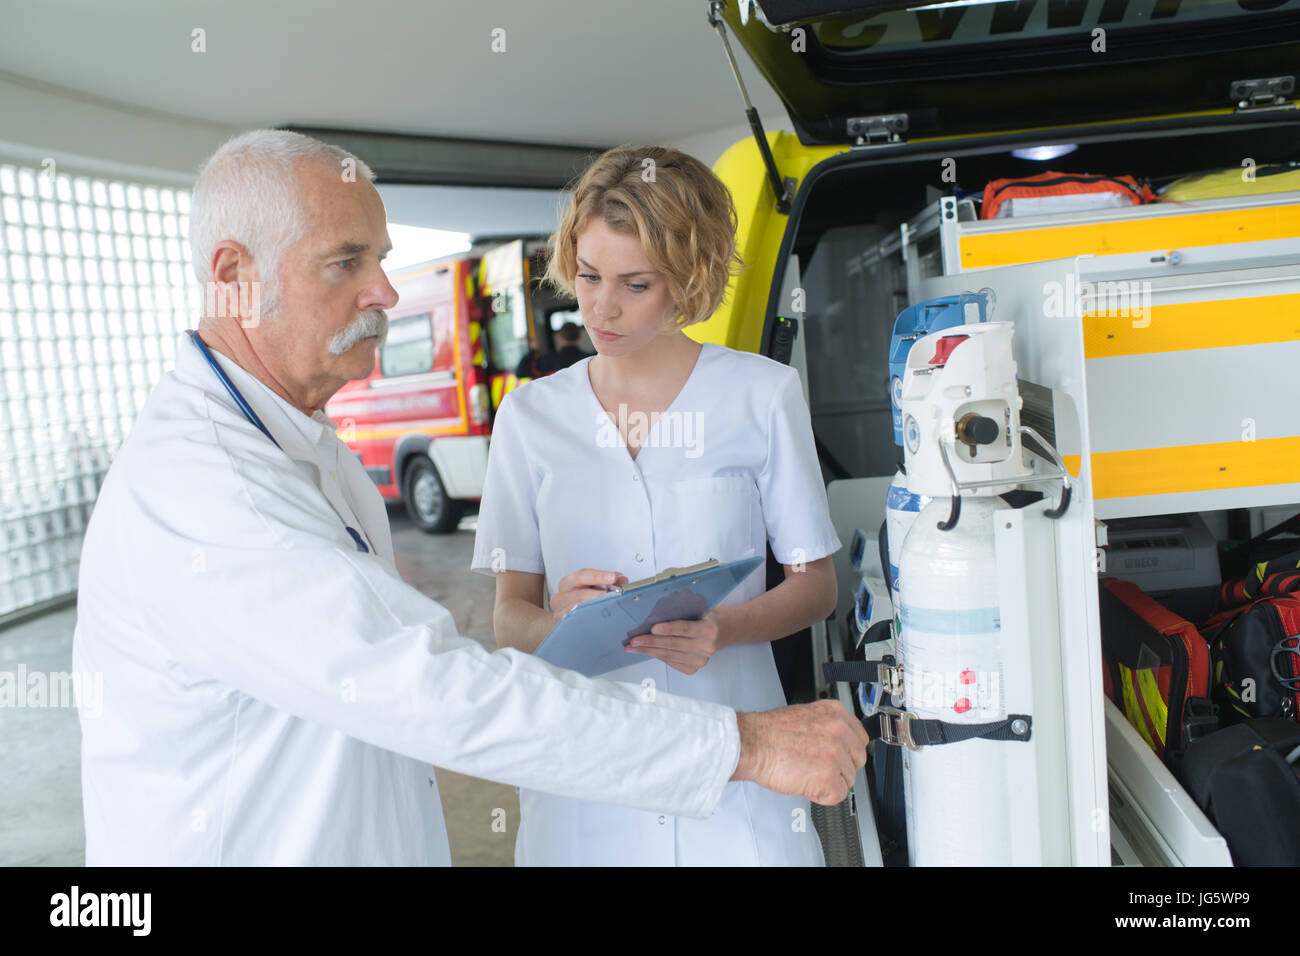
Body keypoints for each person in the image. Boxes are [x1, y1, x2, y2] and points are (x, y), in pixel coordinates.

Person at [70, 130, 868, 866]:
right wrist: (746, 748)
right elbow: (434, 688)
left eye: (380, 257)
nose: (385, 290)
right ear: (234, 279)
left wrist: (724, 648)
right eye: (345, 262)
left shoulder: (318, 455)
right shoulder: (211, 490)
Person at [472, 145, 844, 866]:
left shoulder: (761, 395)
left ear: (688, 279)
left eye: (635, 284)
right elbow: (507, 617)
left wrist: (724, 627)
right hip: (585, 781)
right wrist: (557, 622)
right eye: (588, 276)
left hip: (739, 783)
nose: (600, 307)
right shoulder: (528, 418)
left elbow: (816, 587)